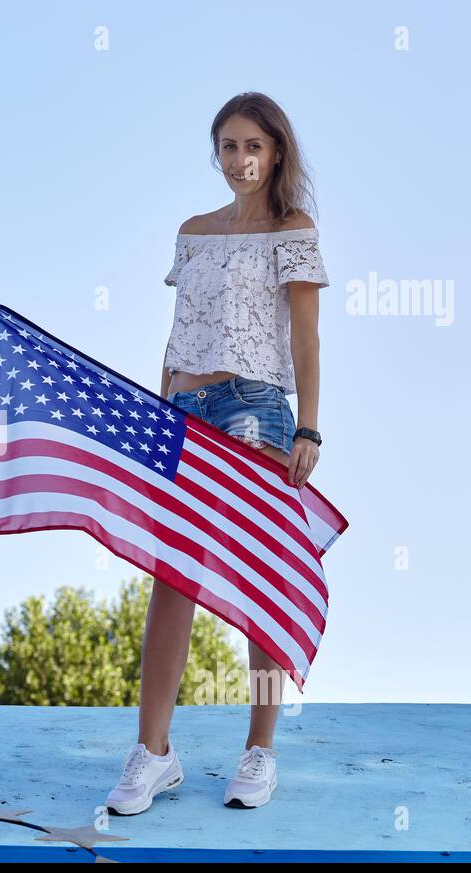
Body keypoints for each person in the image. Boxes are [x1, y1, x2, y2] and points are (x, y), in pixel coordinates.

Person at [105, 92, 330, 814]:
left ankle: (260, 750)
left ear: (276, 153)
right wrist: (156, 409)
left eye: (252, 146)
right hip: (183, 408)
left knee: (260, 573)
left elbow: (305, 339)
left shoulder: (293, 229)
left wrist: (309, 427)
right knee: (172, 577)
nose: (240, 159)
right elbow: (178, 335)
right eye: (228, 146)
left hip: (255, 410)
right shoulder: (194, 233)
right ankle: (154, 752)